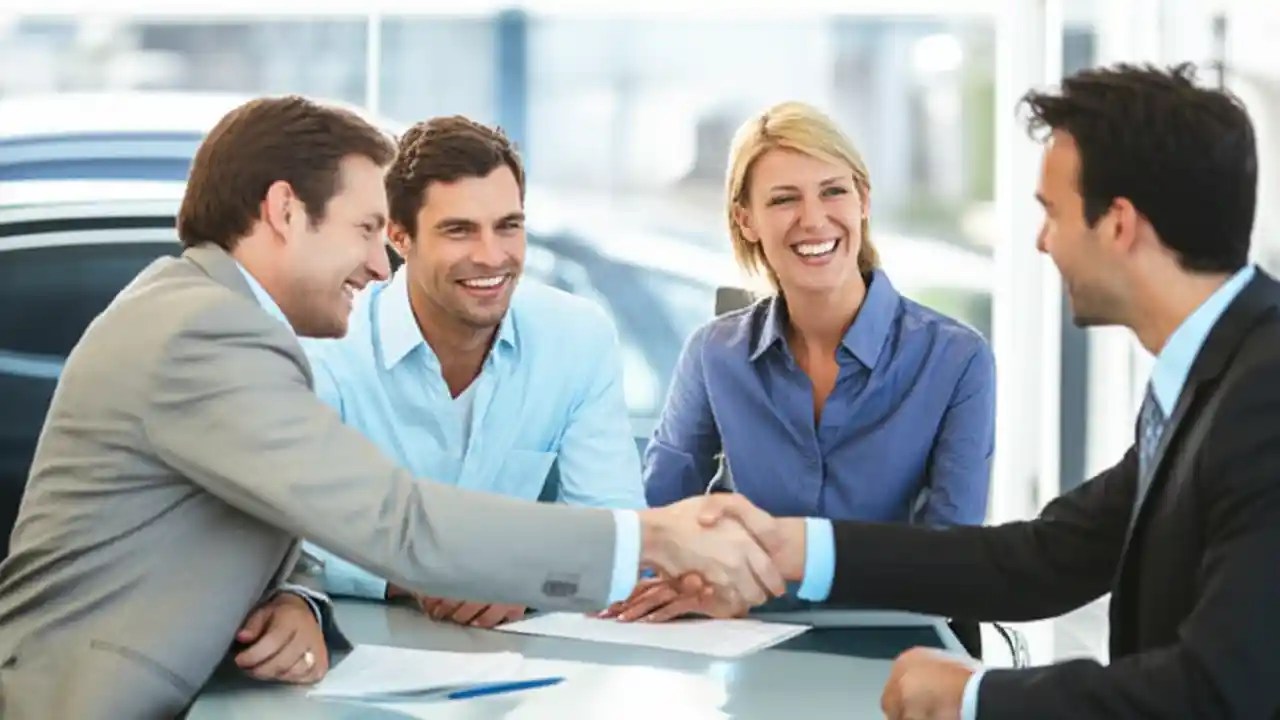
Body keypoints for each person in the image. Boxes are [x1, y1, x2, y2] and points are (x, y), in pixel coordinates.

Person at [0, 95, 784, 720]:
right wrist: (654, 537)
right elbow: (395, 523)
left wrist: (299, 599)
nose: (379, 263)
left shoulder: (210, 316)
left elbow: (268, 521)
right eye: (368, 229)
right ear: (282, 210)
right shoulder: (205, 333)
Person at [700, 63, 1280, 719]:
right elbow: (1043, 558)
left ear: (1118, 225)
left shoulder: (1262, 398)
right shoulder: (1212, 376)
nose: (1042, 242)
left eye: (1051, 214)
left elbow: (1220, 688)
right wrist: (796, 550)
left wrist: (975, 694)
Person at [610, 101, 994, 631]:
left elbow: (949, 558)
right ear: (746, 221)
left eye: (833, 191)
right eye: (784, 199)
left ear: (863, 200)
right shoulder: (713, 354)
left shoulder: (956, 359)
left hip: (897, 646)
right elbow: (652, 523)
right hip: (740, 645)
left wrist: (751, 592)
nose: (813, 219)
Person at [300, 115, 646, 628]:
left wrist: (527, 575)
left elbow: (618, 531)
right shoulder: (327, 350)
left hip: (525, 668)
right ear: (399, 236)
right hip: (360, 657)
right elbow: (282, 538)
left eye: (508, 226)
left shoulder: (577, 337)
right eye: (459, 231)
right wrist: (420, 572)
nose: (492, 256)